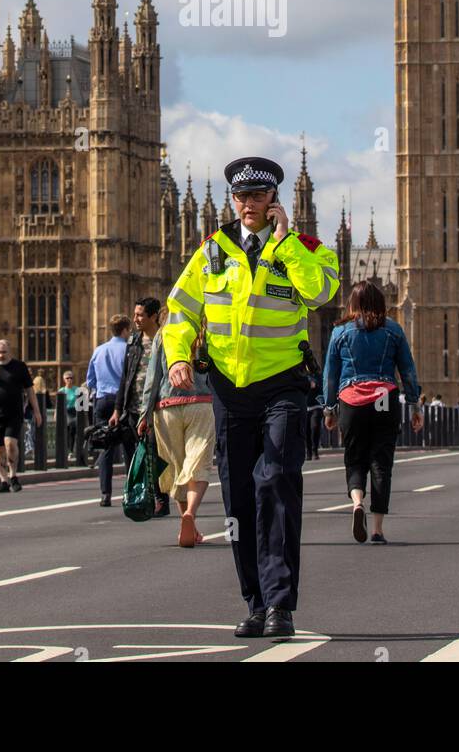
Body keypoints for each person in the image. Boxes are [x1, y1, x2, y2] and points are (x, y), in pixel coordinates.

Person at [164, 155, 340, 641]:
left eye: (258, 197)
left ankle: (281, 603)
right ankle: (256, 601)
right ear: (234, 200)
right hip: (228, 389)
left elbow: (321, 291)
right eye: (241, 197)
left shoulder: (307, 248)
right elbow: (179, 312)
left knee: (278, 480)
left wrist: (286, 245)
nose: (248, 204)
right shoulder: (212, 251)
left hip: (282, 382)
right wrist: (178, 356)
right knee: (239, 496)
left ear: (274, 202)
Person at [323, 279, 423, 544]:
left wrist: (329, 408)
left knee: (354, 458)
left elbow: (330, 375)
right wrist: (414, 404)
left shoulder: (340, 331)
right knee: (381, 463)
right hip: (383, 398)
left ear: (352, 304)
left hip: (352, 399)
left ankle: (357, 503)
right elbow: (408, 370)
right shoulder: (393, 330)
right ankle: (377, 529)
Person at [138, 317, 215, 547]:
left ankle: (187, 520)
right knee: (198, 465)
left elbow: (153, 378)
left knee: (177, 467)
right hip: (200, 404)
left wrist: (144, 414)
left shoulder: (163, 334)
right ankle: (191, 512)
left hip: (167, 406)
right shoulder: (207, 333)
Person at [110, 299, 166, 516]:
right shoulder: (133, 340)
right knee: (135, 455)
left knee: (153, 453)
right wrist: (117, 409)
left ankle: (160, 499)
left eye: (140, 315)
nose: (135, 319)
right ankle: (137, 495)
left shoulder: (164, 338)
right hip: (133, 407)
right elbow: (126, 377)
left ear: (153, 316)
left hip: (157, 406)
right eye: (135, 314)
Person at [0, 340, 41, 492]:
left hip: (14, 413)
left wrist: (37, 411)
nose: (1, 355)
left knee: (10, 444)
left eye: (3, 352)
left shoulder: (19, 366)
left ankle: (13, 475)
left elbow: (30, 390)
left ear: (9, 351)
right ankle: (3, 481)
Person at [86, 314, 130, 506]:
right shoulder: (129, 350)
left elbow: (90, 381)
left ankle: (105, 494)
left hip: (103, 401)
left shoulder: (99, 350)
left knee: (105, 448)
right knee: (130, 448)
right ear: (125, 330)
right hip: (124, 402)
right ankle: (130, 493)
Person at [304, 367, 323, 461]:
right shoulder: (302, 373)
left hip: (316, 406)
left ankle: (315, 450)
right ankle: (309, 452)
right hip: (305, 406)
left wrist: (315, 385)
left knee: (314, 427)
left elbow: (322, 387)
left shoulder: (317, 374)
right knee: (306, 430)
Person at [59, 370, 79, 459]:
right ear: (64, 380)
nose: (69, 380)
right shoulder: (62, 390)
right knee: (66, 431)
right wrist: (56, 414)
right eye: (67, 378)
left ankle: (71, 450)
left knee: (72, 431)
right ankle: (67, 450)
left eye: (71, 378)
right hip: (65, 411)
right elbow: (58, 404)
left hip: (74, 411)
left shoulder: (77, 389)